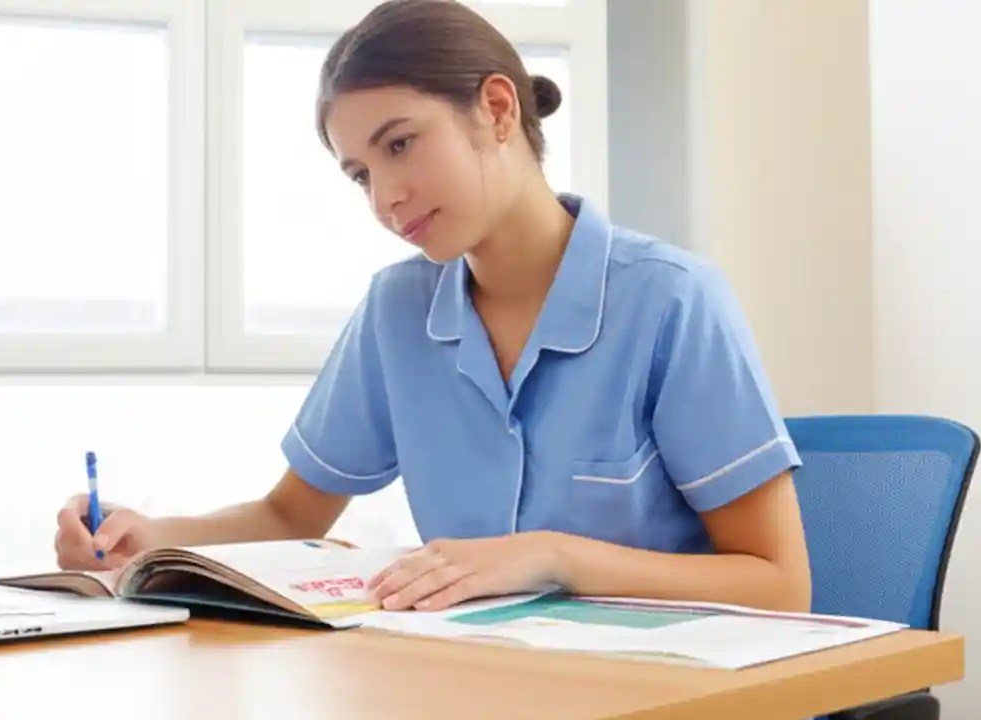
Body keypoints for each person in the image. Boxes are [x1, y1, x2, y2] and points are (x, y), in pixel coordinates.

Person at [54, 0, 812, 614]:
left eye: (402, 145)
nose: (386, 198)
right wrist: (154, 540)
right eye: (360, 175)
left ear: (496, 108)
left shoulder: (671, 300)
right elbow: (290, 519)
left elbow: (779, 582)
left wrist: (551, 557)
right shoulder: (398, 311)